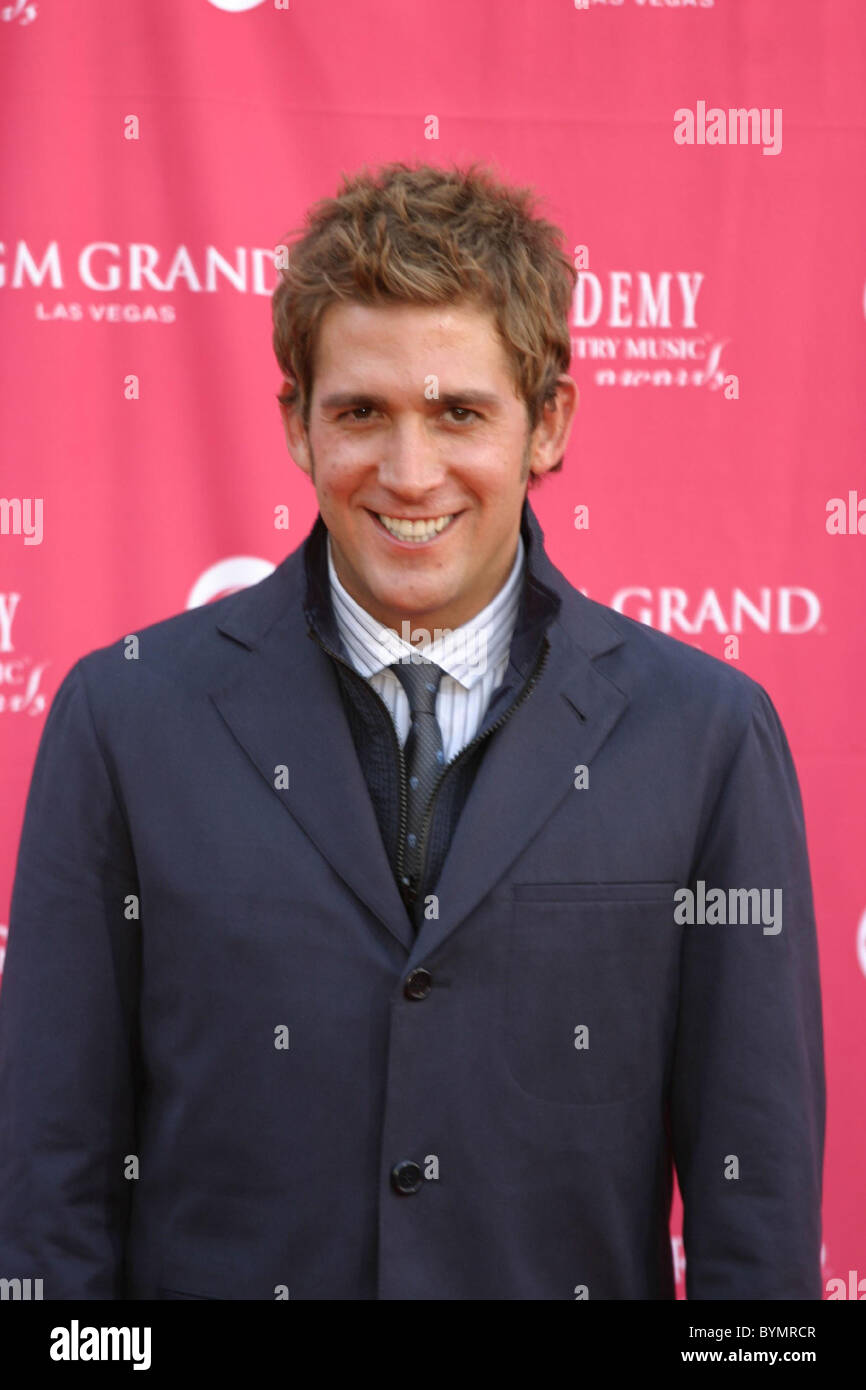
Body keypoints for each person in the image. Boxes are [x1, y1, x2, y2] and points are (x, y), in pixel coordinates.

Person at [0, 161, 824, 1300]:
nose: (407, 471)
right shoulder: (122, 719)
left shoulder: (705, 741)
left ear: (548, 423)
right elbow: (49, 1180)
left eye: (456, 412)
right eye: (360, 412)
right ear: (295, 422)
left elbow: (757, 1213)